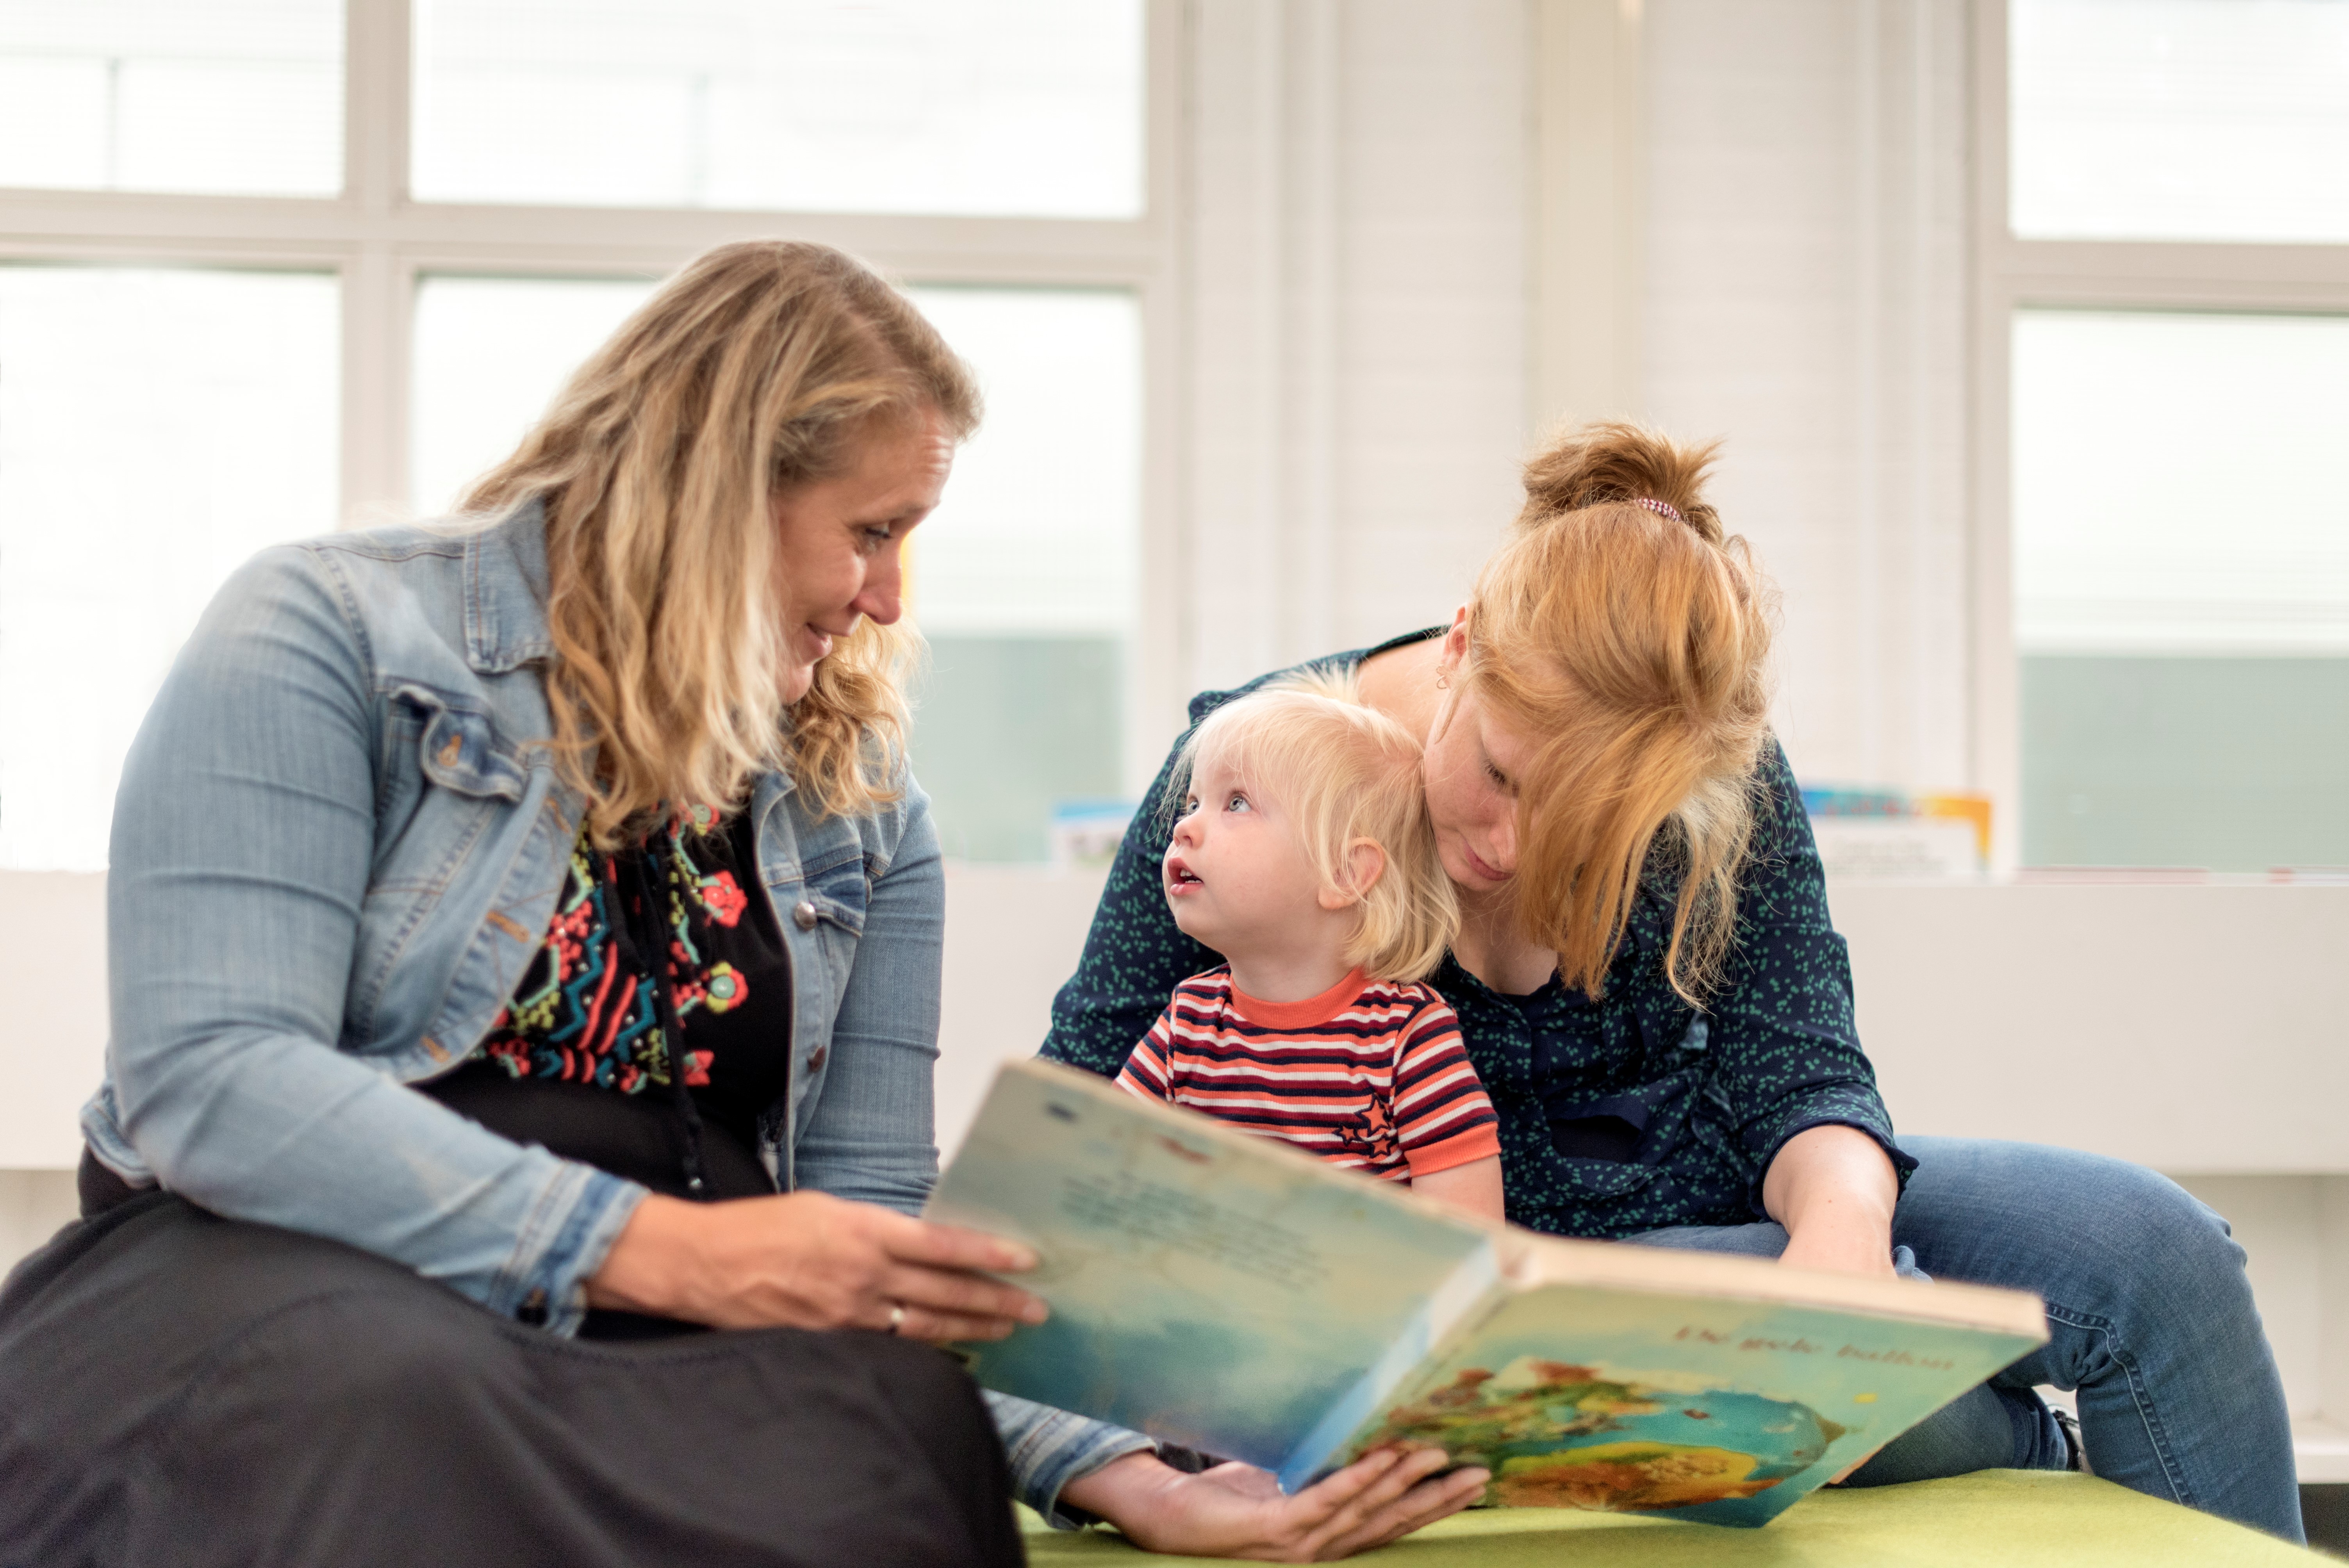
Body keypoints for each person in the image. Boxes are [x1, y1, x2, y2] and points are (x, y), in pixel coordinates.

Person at [0, 240, 1481, 1566]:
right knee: (401, 1388)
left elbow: (869, 1223)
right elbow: (216, 1087)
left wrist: (1114, 1474)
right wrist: (656, 1249)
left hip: (655, 1336)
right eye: (871, 529)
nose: (890, 596)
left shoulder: (861, 810)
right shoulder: (323, 635)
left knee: (894, 1422)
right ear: (714, 494)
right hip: (286, 1283)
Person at [1043, 422, 2306, 1545]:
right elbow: (1074, 1129)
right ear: (1463, 645)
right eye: (1498, 773)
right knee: (1861, 1325)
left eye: (1591, 827)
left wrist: (1841, 1243)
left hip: (1715, 1199)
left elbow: (1798, 1066)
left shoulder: (1719, 771)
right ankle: (2000, 1435)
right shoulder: (1254, 777)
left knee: (2154, 1254)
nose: (1508, 850)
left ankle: (1920, 1380)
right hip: (1472, 1283)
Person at [1115, 675, 1504, 1219]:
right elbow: (1103, 1158)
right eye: (1194, 802)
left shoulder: (1407, 1038)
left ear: (1346, 873)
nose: (1184, 828)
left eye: (1237, 803)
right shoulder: (1188, 1023)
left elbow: (1472, 1235)